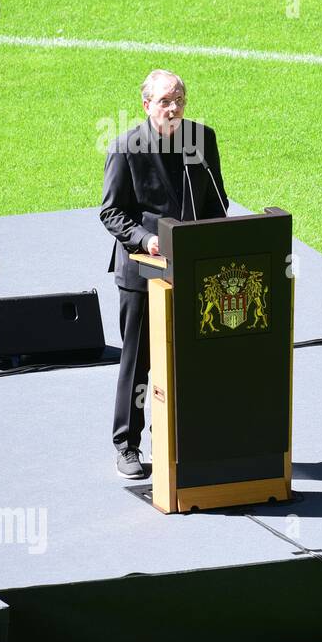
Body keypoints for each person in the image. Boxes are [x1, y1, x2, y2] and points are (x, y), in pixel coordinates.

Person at [100, 70, 229, 478]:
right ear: (146, 105)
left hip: (193, 266)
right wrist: (145, 239)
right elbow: (111, 211)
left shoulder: (202, 139)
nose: (174, 108)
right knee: (138, 362)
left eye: (179, 99)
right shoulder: (125, 147)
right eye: (165, 101)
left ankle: (177, 438)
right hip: (143, 271)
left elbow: (216, 198)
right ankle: (127, 444)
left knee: (188, 360)